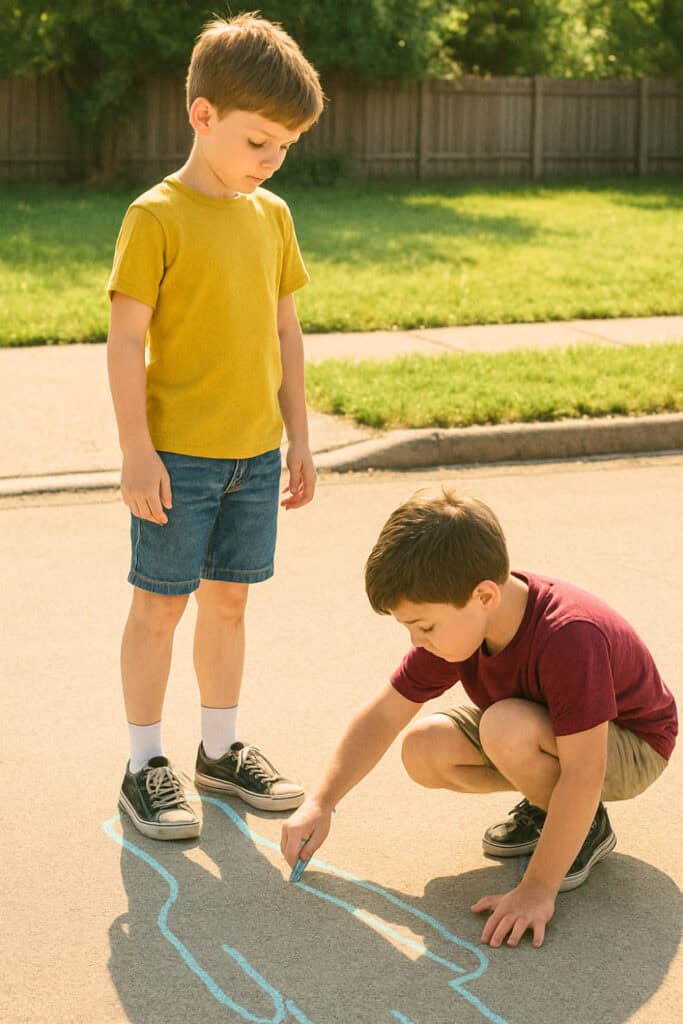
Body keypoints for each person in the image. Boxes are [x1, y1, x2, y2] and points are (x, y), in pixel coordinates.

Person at [281, 485, 677, 948]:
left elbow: (586, 771)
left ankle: (584, 827)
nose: (416, 641)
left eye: (424, 626)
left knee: (504, 726)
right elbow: (385, 715)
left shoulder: (570, 636)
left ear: (485, 595)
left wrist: (536, 889)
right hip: (551, 731)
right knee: (424, 748)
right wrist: (322, 802)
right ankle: (550, 807)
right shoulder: (463, 620)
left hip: (632, 744)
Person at [107, 13, 324, 840]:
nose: (270, 162)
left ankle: (221, 751)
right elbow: (126, 340)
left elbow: (285, 334)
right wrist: (136, 451)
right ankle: (143, 764)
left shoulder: (271, 217)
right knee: (159, 608)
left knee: (229, 605)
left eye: (283, 148)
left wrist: (297, 437)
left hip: (252, 456)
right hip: (177, 460)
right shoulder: (154, 216)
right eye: (258, 142)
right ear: (203, 115)